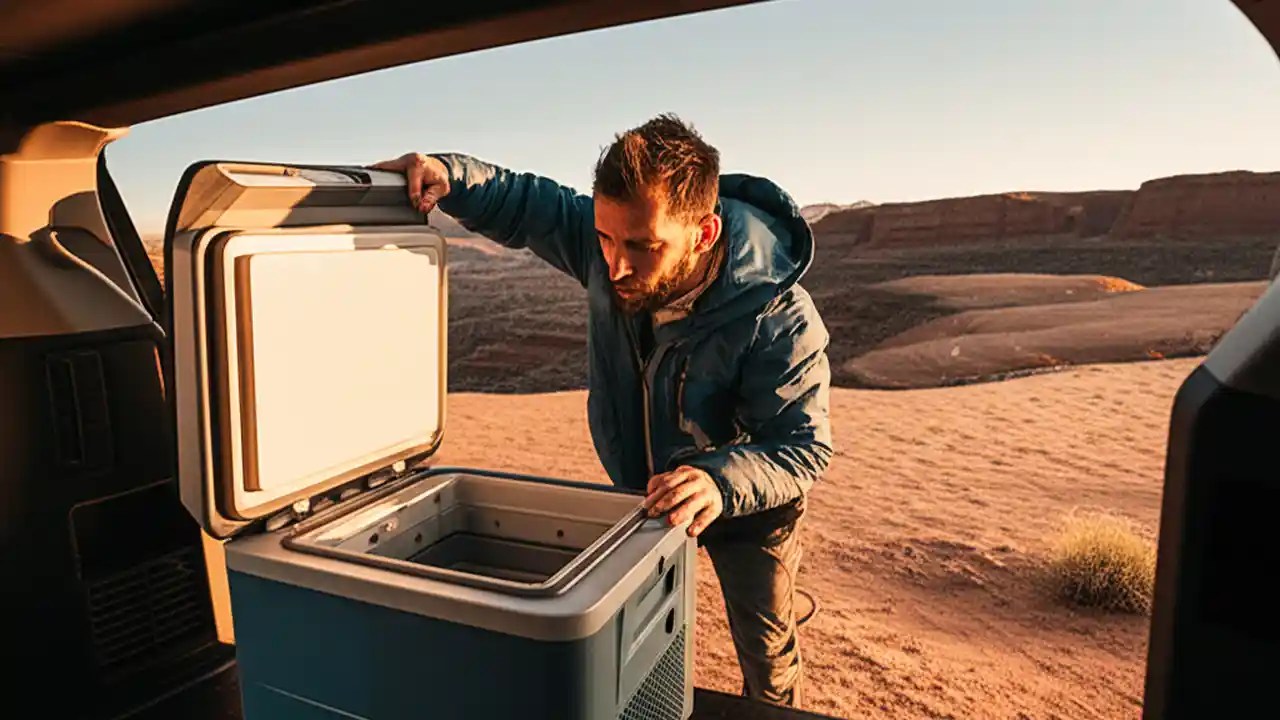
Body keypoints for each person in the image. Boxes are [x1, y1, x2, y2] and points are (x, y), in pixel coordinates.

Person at [372, 114, 832, 707]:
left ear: (705, 233)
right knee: (643, 639)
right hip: (644, 496)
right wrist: (449, 175)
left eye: (642, 246)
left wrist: (719, 482)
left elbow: (802, 447)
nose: (613, 266)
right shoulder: (606, 252)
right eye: (605, 238)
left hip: (750, 511)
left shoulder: (781, 316)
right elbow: (523, 201)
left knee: (766, 658)